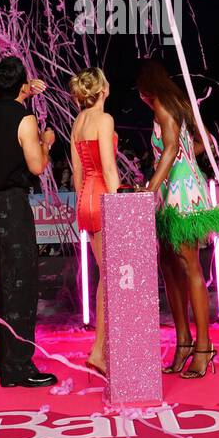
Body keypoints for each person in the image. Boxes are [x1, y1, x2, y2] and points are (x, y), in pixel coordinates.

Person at [136, 59, 219, 378]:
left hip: (181, 190)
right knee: (170, 266)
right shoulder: (177, 105)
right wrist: (186, 156)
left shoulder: (163, 107)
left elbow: (170, 149)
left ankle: (203, 347)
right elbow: (203, 143)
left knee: (189, 267)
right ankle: (184, 342)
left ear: (147, 88)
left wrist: (149, 188)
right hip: (174, 186)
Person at [0, 57, 58, 388]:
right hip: (12, 204)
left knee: (5, 283)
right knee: (22, 284)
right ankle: (19, 366)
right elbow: (37, 166)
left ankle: (4, 361)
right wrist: (47, 141)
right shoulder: (24, 119)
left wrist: (29, 91)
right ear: (22, 85)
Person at [68, 67, 119, 378]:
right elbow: (110, 169)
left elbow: (77, 174)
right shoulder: (103, 119)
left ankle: (102, 348)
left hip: (85, 201)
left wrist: (83, 206)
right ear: (103, 90)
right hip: (103, 200)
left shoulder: (78, 122)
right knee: (111, 279)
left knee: (106, 277)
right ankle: (99, 350)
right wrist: (119, 208)